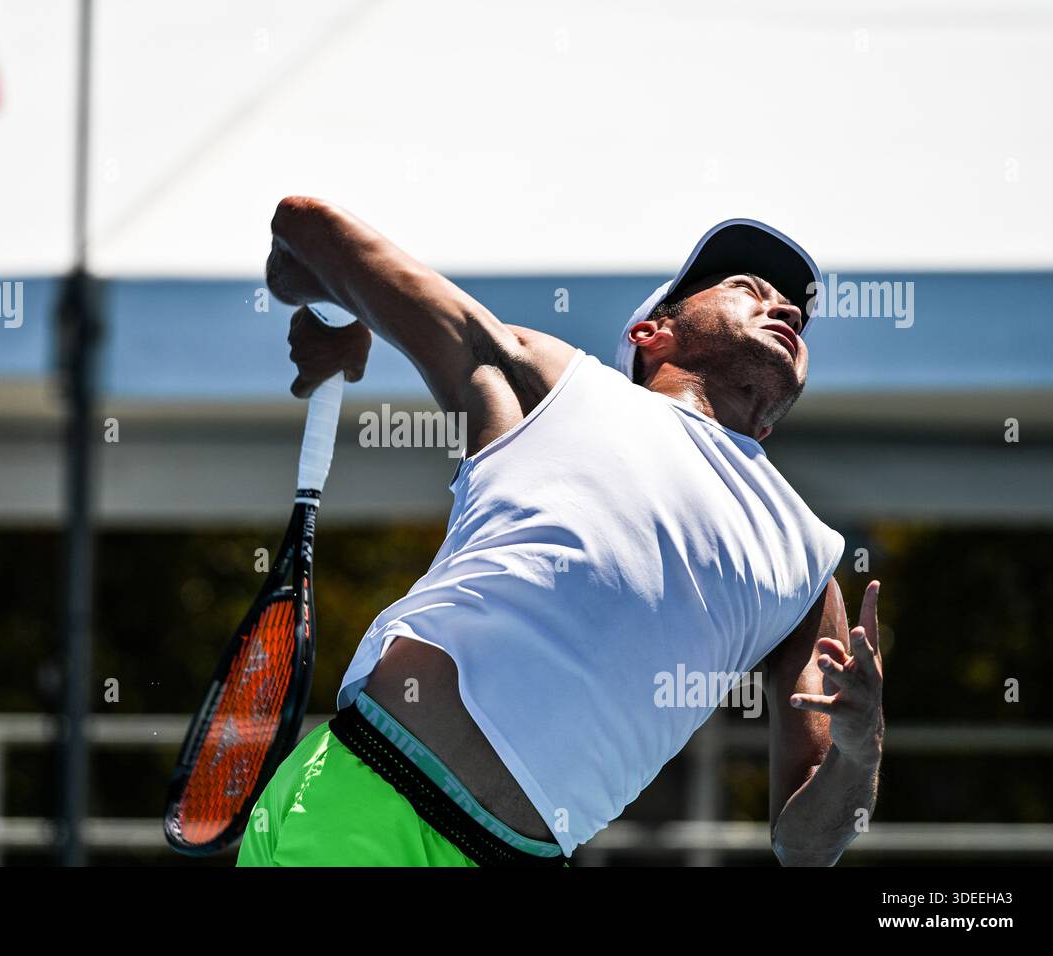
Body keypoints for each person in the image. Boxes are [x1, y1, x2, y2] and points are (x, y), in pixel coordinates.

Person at [237, 198, 885, 867]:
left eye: (796, 313)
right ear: (650, 334)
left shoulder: (809, 567)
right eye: (751, 291)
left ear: (773, 423)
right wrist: (335, 313)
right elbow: (303, 227)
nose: (784, 310)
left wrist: (858, 750)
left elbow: (805, 848)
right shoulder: (552, 384)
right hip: (362, 795)